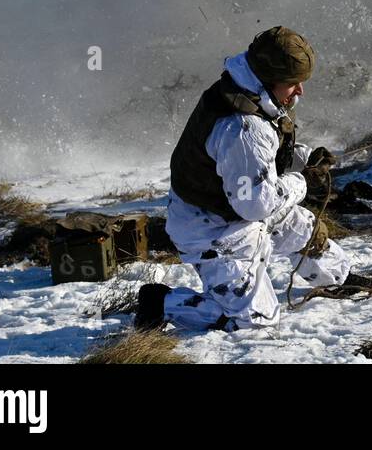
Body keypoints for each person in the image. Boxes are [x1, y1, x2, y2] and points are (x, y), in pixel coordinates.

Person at [134, 26, 350, 331]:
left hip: (234, 205)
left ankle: (340, 278)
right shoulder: (242, 127)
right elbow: (256, 204)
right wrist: (303, 182)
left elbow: (259, 161)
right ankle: (162, 303)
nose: (300, 90)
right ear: (268, 78)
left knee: (305, 230)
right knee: (255, 321)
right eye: (292, 83)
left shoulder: (251, 95)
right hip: (215, 230)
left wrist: (305, 159)